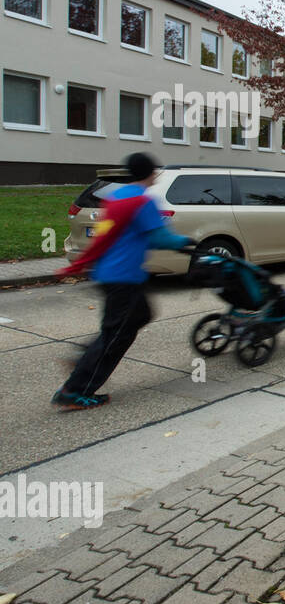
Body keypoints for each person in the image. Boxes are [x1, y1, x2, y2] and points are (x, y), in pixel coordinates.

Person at [52, 153, 194, 411]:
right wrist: (185, 241)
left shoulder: (116, 198)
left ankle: (86, 358)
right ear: (151, 173)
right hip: (123, 278)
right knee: (116, 335)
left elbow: (110, 233)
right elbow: (159, 238)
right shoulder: (142, 202)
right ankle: (74, 390)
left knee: (140, 314)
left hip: (109, 272)